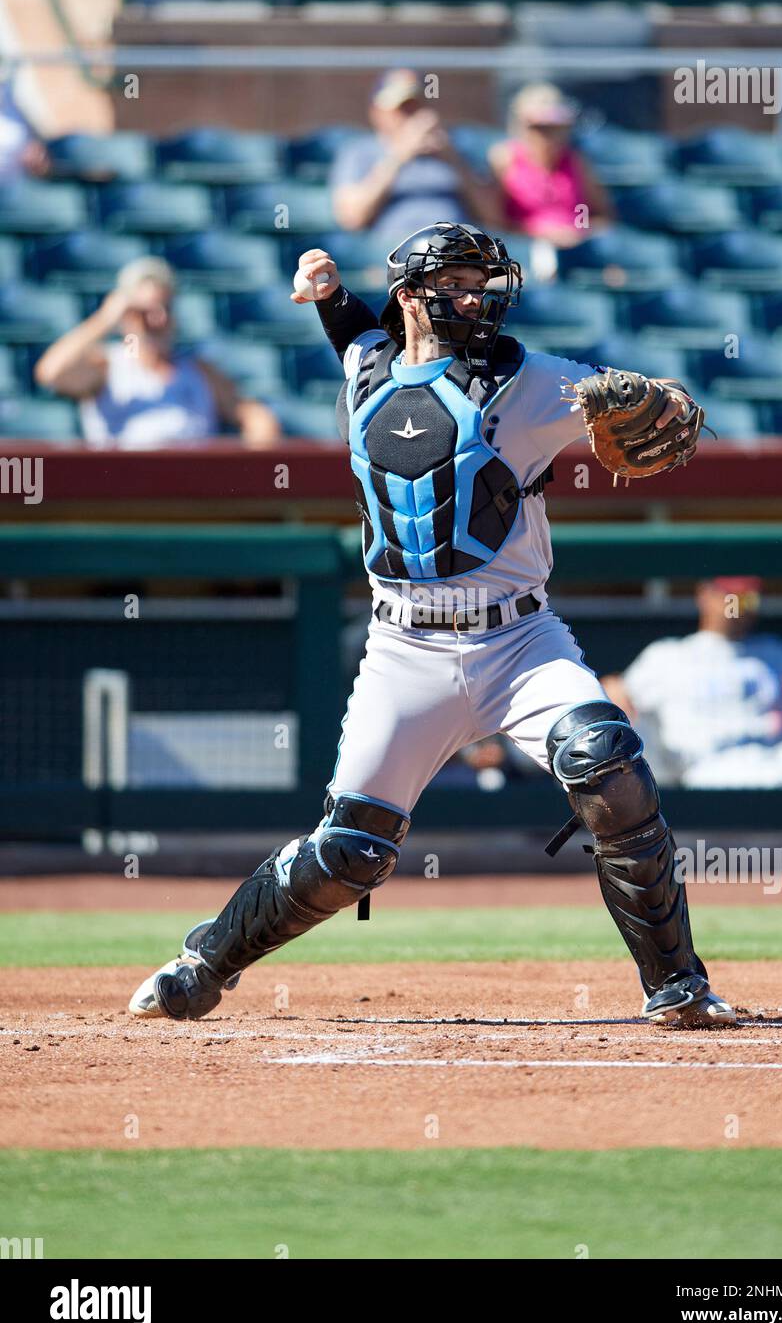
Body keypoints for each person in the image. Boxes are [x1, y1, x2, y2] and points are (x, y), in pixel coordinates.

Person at [129, 221, 735, 1029]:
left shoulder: (526, 378)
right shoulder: (367, 365)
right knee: (350, 854)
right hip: (404, 647)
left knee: (606, 760)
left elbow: (656, 404)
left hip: (519, 641)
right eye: (454, 282)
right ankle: (206, 959)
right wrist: (327, 292)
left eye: (482, 282)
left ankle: (679, 986)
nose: (475, 297)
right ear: (410, 297)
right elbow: (358, 337)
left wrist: (658, 400)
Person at [34, 257, 279, 448]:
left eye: (166, 308)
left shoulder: (198, 370)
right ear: (126, 314)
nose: (158, 319)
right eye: (146, 311)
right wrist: (106, 318)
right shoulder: (107, 365)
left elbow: (253, 414)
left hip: (194, 495)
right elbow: (51, 373)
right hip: (126, 494)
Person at [602, 577, 782, 788]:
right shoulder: (669, 655)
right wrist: (614, 692)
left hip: (779, 777)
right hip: (703, 780)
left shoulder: (778, 653)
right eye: (732, 596)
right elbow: (614, 695)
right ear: (705, 594)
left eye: (748, 598)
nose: (739, 605)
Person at [331, 68, 499, 242]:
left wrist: (452, 159)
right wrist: (399, 156)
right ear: (377, 114)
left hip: (458, 247)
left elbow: (493, 216)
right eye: (402, 109)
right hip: (394, 249)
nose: (411, 116)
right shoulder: (359, 151)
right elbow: (351, 219)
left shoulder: (458, 146)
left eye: (416, 106)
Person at [488, 82, 613, 248]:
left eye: (555, 127)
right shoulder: (504, 159)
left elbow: (602, 214)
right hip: (524, 248)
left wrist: (580, 232)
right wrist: (540, 234)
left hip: (578, 247)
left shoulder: (576, 161)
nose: (548, 136)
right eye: (539, 128)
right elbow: (495, 222)